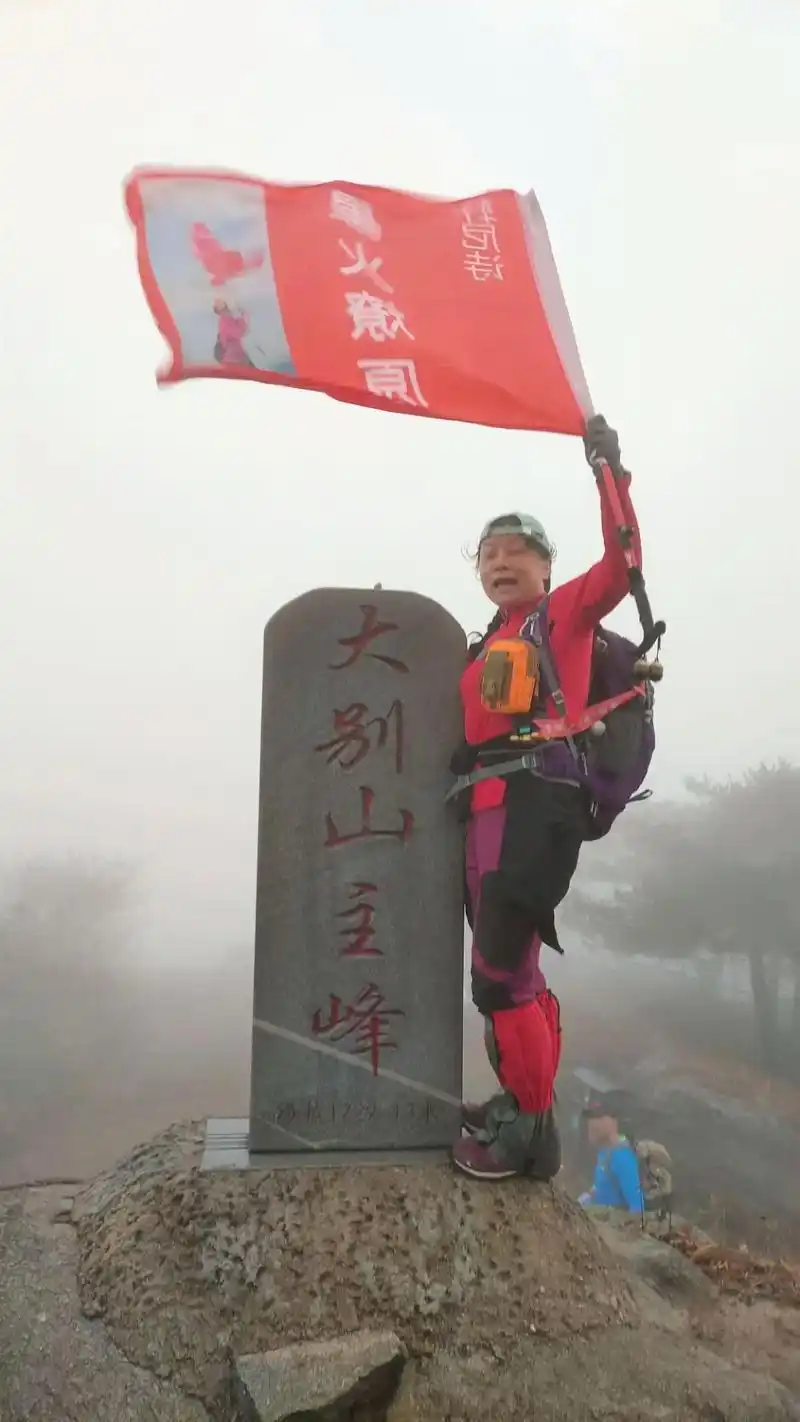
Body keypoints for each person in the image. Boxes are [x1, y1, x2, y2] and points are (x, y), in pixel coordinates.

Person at [450, 415, 642, 1181]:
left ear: (545, 566)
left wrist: (610, 473)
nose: (501, 564)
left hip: (534, 802)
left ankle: (529, 1134)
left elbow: (621, 567)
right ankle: (523, 1102)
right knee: (510, 970)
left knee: (500, 976)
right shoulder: (487, 639)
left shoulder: (560, 614)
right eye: (489, 555)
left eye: (516, 553)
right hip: (486, 807)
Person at [578, 1099, 645, 1214]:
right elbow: (605, 1185)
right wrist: (589, 1196)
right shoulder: (604, 1153)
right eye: (591, 1117)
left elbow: (637, 1207)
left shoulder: (622, 1156)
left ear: (613, 1121)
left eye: (599, 1117)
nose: (592, 1123)